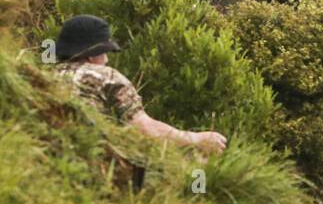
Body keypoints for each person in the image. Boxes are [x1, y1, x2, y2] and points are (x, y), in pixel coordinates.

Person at [51, 15, 226, 155]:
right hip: (89, 159)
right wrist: (196, 139)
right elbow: (144, 129)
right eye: (105, 52)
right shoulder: (106, 76)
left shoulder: (47, 76)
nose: (107, 59)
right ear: (92, 54)